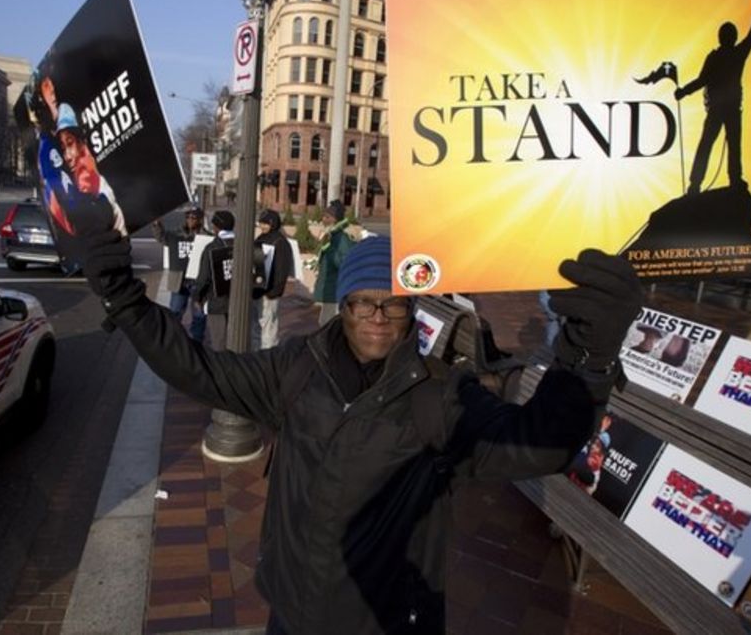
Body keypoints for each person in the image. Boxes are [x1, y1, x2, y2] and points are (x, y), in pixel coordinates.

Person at [82, 227, 643, 635]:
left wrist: (588, 359)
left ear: (411, 312)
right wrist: (125, 300)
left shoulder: (442, 396)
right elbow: (197, 369)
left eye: (392, 306)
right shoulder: (295, 369)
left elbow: (540, 445)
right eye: (363, 304)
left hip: (383, 622)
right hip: (291, 610)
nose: (377, 316)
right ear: (343, 307)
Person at [675, 0, 751, 195]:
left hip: (719, 109)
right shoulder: (736, 54)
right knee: (730, 145)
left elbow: (701, 81)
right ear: (732, 37)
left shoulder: (717, 57)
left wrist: (683, 91)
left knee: (708, 144)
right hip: (729, 109)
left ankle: (697, 184)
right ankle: (731, 180)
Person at [54, 103, 128, 238]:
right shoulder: (68, 188)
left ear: (82, 143)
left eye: (70, 143)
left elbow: (122, 238)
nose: (67, 157)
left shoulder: (105, 193)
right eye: (63, 149)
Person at [152, 206, 208, 343]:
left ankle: (197, 342)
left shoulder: (206, 237)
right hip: (179, 281)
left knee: (199, 315)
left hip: (198, 282)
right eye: (188, 217)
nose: (190, 220)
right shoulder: (176, 235)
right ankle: (174, 340)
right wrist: (157, 224)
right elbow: (161, 237)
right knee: (175, 312)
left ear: (200, 220)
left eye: (194, 217)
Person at [193, 209, 236, 351]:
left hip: (217, 301)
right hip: (239, 301)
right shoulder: (243, 245)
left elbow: (204, 277)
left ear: (217, 227)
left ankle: (222, 365)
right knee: (236, 342)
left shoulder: (212, 247)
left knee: (219, 342)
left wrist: (197, 297)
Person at [254, 209, 295, 349]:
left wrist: (274, 292)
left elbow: (282, 270)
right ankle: (255, 355)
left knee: (269, 328)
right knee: (256, 326)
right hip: (257, 290)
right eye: (261, 223)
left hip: (270, 292)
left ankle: (269, 355)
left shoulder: (280, 242)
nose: (262, 226)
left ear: (273, 224)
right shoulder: (260, 238)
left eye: (265, 223)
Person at [313, 199, 355, 325]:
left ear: (336, 219)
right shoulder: (331, 237)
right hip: (329, 290)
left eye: (327, 217)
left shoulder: (342, 238)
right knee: (324, 323)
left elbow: (344, 263)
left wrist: (329, 250)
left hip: (335, 291)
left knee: (330, 325)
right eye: (323, 216)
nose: (323, 220)